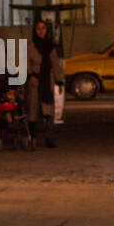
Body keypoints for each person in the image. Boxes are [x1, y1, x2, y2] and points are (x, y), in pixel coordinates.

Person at [26, 19, 64, 148]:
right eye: (38, 28)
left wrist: (59, 81)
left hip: (47, 81)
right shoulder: (30, 46)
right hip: (34, 82)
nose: (40, 31)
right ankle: (32, 137)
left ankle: (49, 137)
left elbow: (55, 65)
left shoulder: (51, 47)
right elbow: (26, 63)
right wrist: (31, 75)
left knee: (48, 110)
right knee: (33, 109)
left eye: (43, 28)